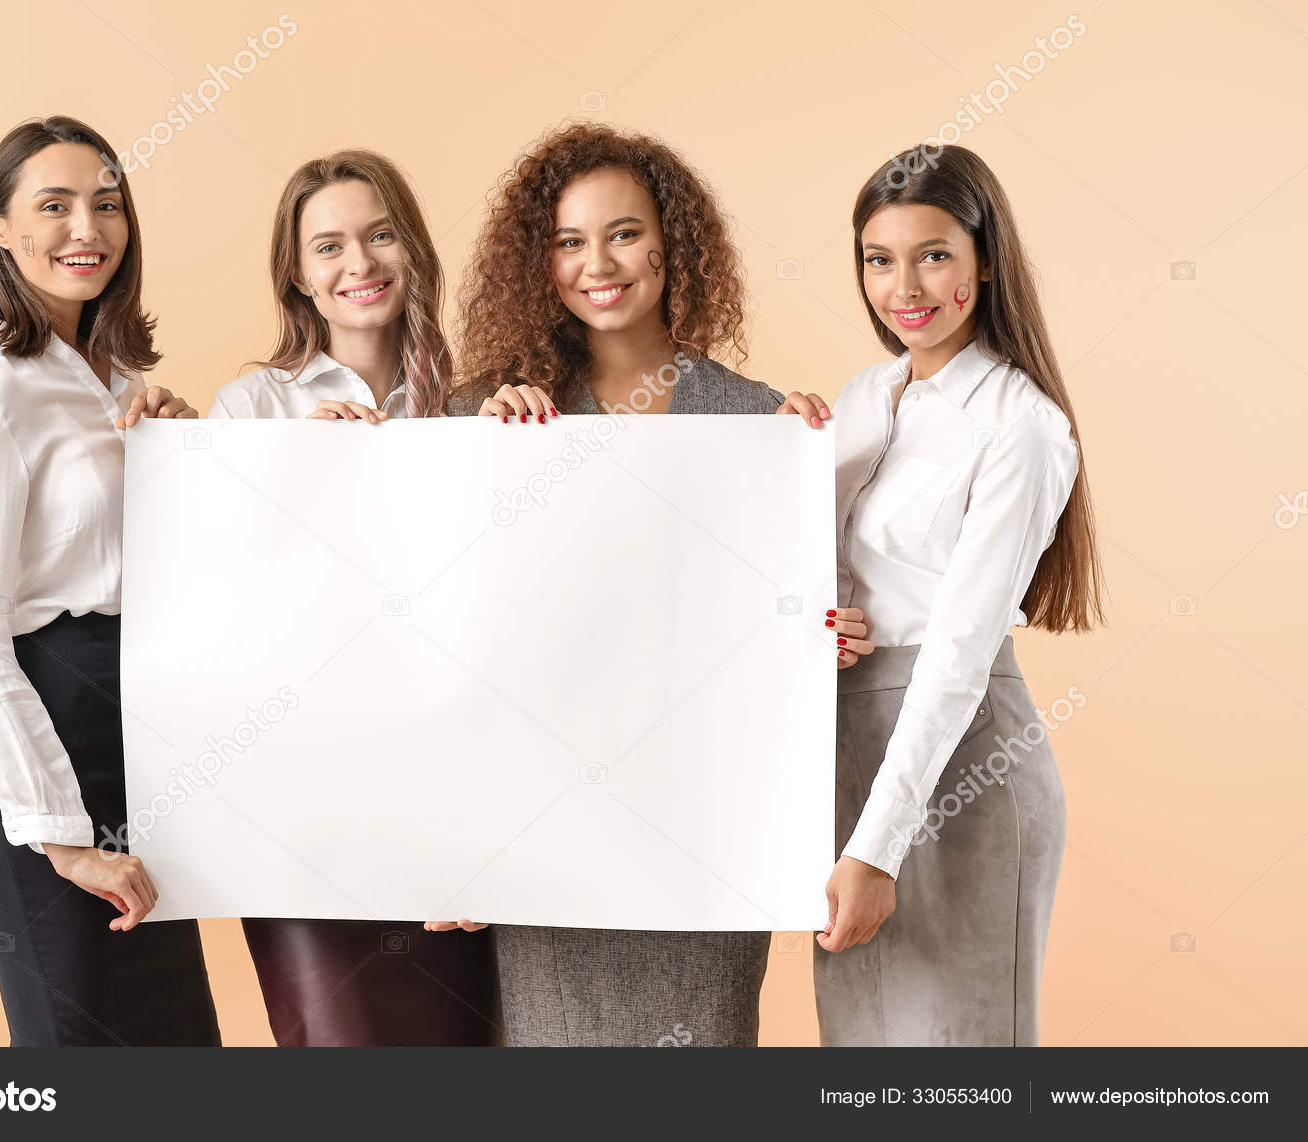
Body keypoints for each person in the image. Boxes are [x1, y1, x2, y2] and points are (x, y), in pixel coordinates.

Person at [440, 123, 867, 1046]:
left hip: (703, 839)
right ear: (538, 262)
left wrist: (819, 633)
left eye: (624, 233)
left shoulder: (759, 421)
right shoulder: (508, 418)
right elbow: (456, 633)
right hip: (550, 840)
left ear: (673, 244)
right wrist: (478, 436)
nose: (599, 263)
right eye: (568, 241)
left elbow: (778, 627)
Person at [0, 116, 220, 1046]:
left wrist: (181, 446)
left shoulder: (118, 374)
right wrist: (62, 834)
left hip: (140, 739)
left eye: (105, 204)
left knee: (174, 1043)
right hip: (45, 739)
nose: (85, 228)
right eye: (52, 206)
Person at [813, 143, 1104, 1046]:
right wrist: (809, 624)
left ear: (985, 259)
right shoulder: (865, 396)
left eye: (934, 254)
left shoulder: (1023, 426)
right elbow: (804, 563)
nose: (906, 286)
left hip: (962, 765)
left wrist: (874, 847)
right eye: (879, 258)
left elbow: (958, 649)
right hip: (846, 756)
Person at [208, 150, 498, 1046]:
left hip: (453, 799)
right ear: (297, 273)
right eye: (328, 246)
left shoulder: (477, 406)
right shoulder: (254, 408)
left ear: (412, 248)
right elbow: (213, 603)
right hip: (307, 805)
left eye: (379, 236)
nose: (359, 265)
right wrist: (295, 479)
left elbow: (510, 608)